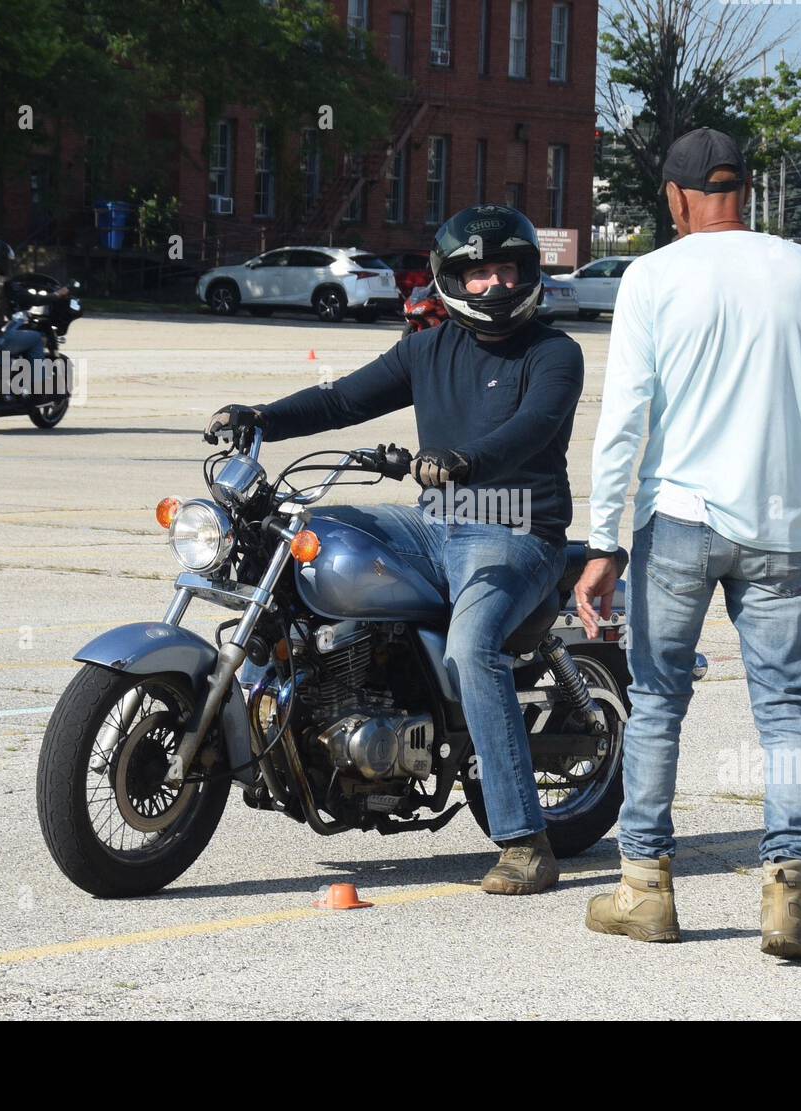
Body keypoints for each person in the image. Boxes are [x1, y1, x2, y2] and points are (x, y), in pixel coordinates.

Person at [204, 205, 584, 895]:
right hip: (435, 524)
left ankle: (527, 842)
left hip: (517, 531)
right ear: (451, 280)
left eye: (506, 269)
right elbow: (341, 400)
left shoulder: (554, 352)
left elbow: (534, 427)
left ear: (529, 274)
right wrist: (261, 417)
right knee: (317, 533)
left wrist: (467, 459)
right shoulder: (427, 349)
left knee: (473, 649)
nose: (493, 284)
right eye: (477, 273)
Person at [575, 128, 801, 959]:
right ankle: (787, 896)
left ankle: (645, 888)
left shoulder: (652, 276)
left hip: (680, 519)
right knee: (783, 709)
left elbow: (625, 415)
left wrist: (603, 541)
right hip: (781, 529)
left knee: (659, 700)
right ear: (745, 190)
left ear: (674, 198)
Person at [0, 238, 69, 366]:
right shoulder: (4, 283)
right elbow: (35, 300)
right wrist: (57, 294)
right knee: (36, 338)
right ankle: (39, 381)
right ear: (2, 259)